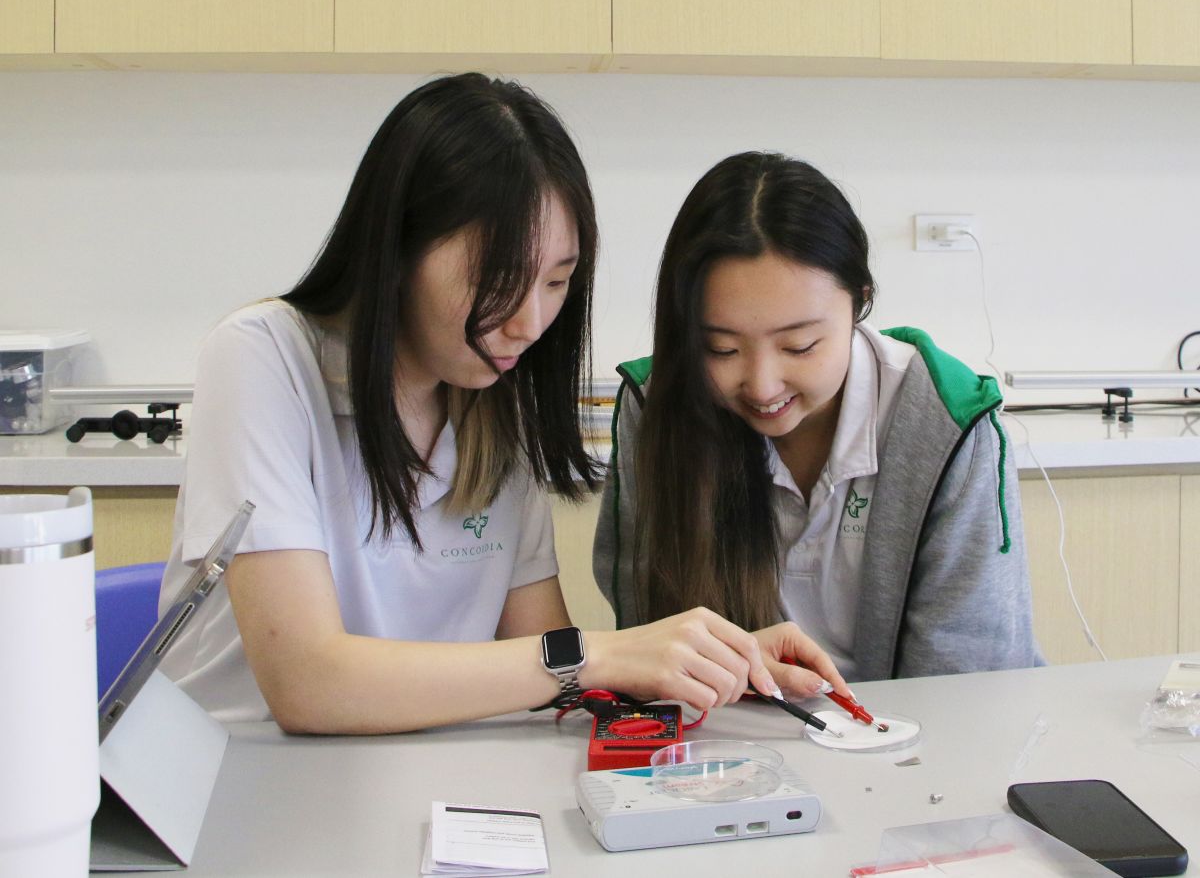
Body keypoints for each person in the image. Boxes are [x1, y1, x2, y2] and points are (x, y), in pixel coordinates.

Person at [159, 76, 848, 734]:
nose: (529, 322)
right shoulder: (262, 357)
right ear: (397, 248)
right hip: (239, 784)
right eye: (499, 279)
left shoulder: (493, 401)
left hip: (419, 784)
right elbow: (310, 684)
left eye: (557, 281)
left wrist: (713, 661)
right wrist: (604, 654)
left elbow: (554, 678)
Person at [594, 151, 1043, 682]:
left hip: (915, 739)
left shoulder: (946, 423)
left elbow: (964, 684)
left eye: (800, 346)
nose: (762, 386)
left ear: (860, 302)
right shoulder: (655, 406)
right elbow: (652, 655)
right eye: (720, 349)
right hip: (736, 745)